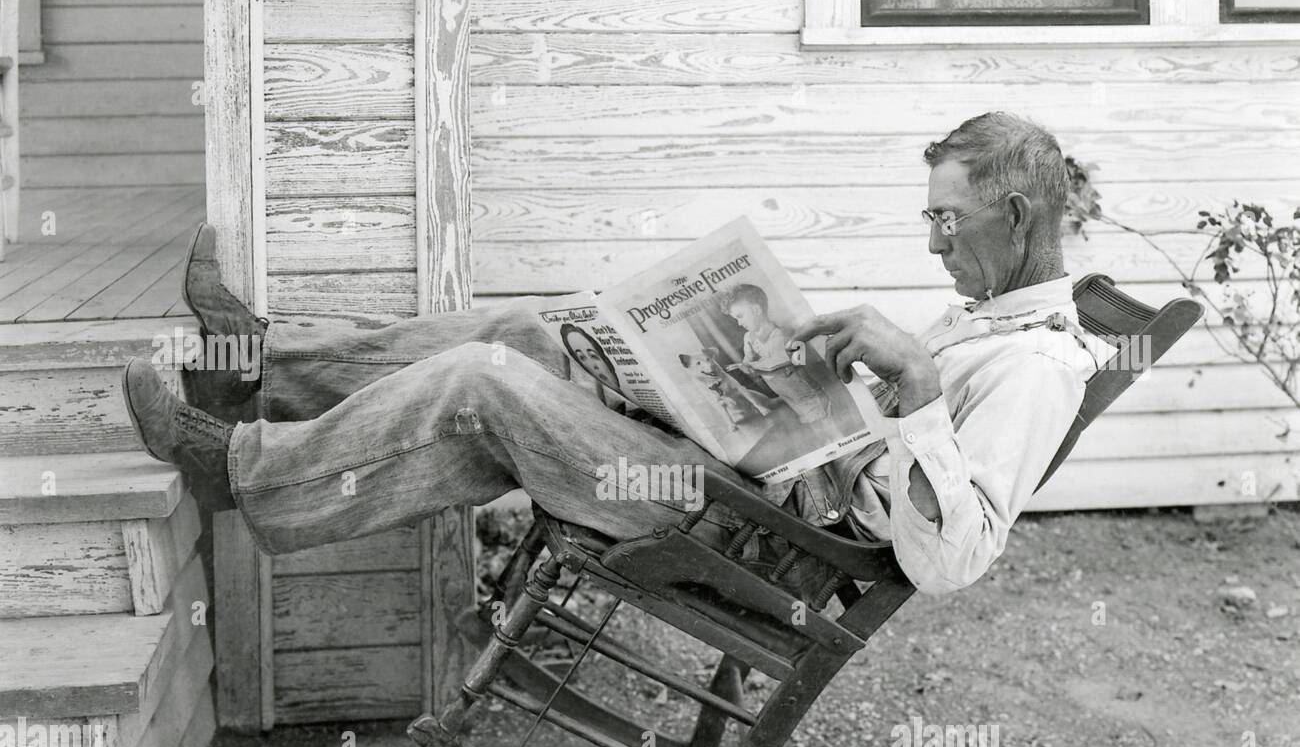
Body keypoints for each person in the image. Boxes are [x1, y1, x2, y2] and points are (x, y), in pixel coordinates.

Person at [123, 111, 1101, 596]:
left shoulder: (1036, 368)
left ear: (1015, 216)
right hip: (743, 473)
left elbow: (958, 555)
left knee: (481, 386)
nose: (933, 241)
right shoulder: (986, 318)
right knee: (522, 336)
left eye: (947, 219)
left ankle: (242, 471)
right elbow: (877, 443)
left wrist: (917, 382)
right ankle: (251, 379)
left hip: (748, 533)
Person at [722, 283, 829, 424]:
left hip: (805, 391)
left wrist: (753, 366)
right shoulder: (748, 337)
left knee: (822, 420)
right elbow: (749, 359)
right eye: (736, 319)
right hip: (784, 392)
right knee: (807, 420)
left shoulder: (780, 334)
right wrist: (744, 364)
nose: (739, 323)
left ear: (756, 310)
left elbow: (780, 360)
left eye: (740, 316)